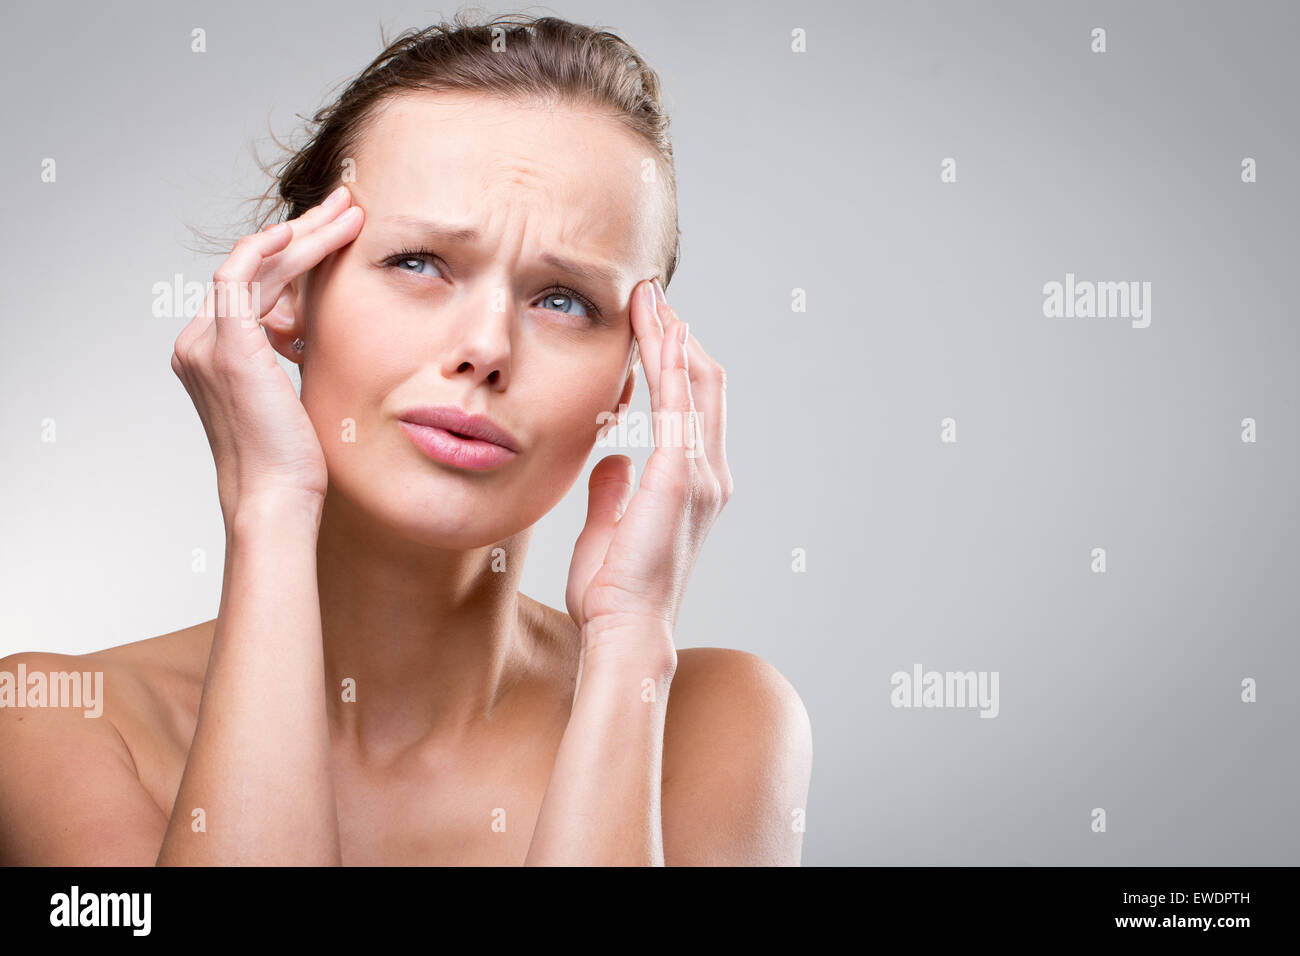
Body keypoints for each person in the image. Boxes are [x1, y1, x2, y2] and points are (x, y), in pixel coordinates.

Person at [0, 12, 812, 866]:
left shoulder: (716, 722)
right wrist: (268, 513)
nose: (488, 349)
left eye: (564, 299)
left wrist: (627, 646)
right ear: (286, 293)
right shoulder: (56, 715)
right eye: (420, 262)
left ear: (628, 381)